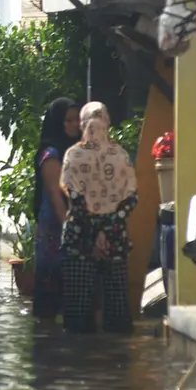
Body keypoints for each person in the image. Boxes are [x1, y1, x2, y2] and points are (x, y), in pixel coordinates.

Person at [60, 102, 139, 334]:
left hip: (80, 238)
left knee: (77, 312)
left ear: (82, 125)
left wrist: (94, 235)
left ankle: (81, 353)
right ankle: (117, 354)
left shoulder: (73, 155)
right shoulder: (120, 156)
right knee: (117, 309)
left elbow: (76, 199)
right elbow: (131, 199)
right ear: (108, 123)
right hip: (114, 239)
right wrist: (107, 231)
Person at [32, 97, 81, 321]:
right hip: (55, 223)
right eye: (68, 120)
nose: (74, 125)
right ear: (57, 123)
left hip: (72, 219)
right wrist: (67, 225)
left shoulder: (76, 150)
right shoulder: (51, 153)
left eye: (77, 120)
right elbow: (54, 192)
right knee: (52, 277)